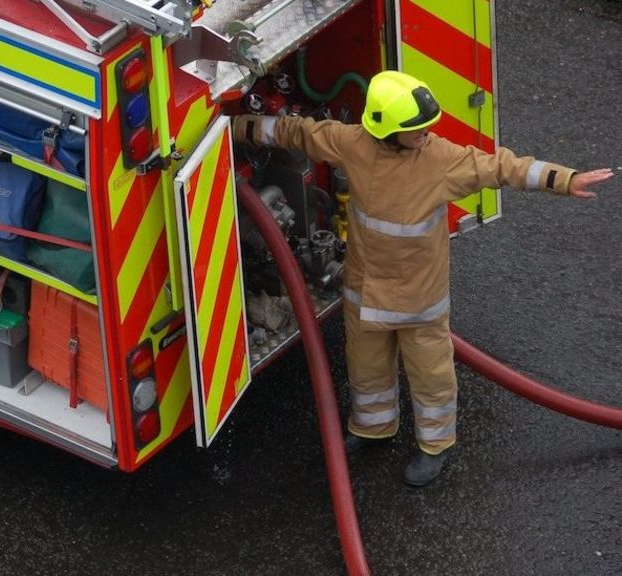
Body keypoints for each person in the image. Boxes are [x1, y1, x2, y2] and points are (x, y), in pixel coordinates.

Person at [232, 70, 614, 487]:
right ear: (386, 130)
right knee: (366, 370)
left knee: (431, 377)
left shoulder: (441, 160)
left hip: (419, 302)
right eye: (415, 129)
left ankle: (436, 445)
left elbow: (502, 168)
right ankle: (372, 429)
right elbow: (298, 132)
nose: (426, 134)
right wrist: (233, 128)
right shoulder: (352, 143)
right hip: (365, 293)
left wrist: (565, 179)